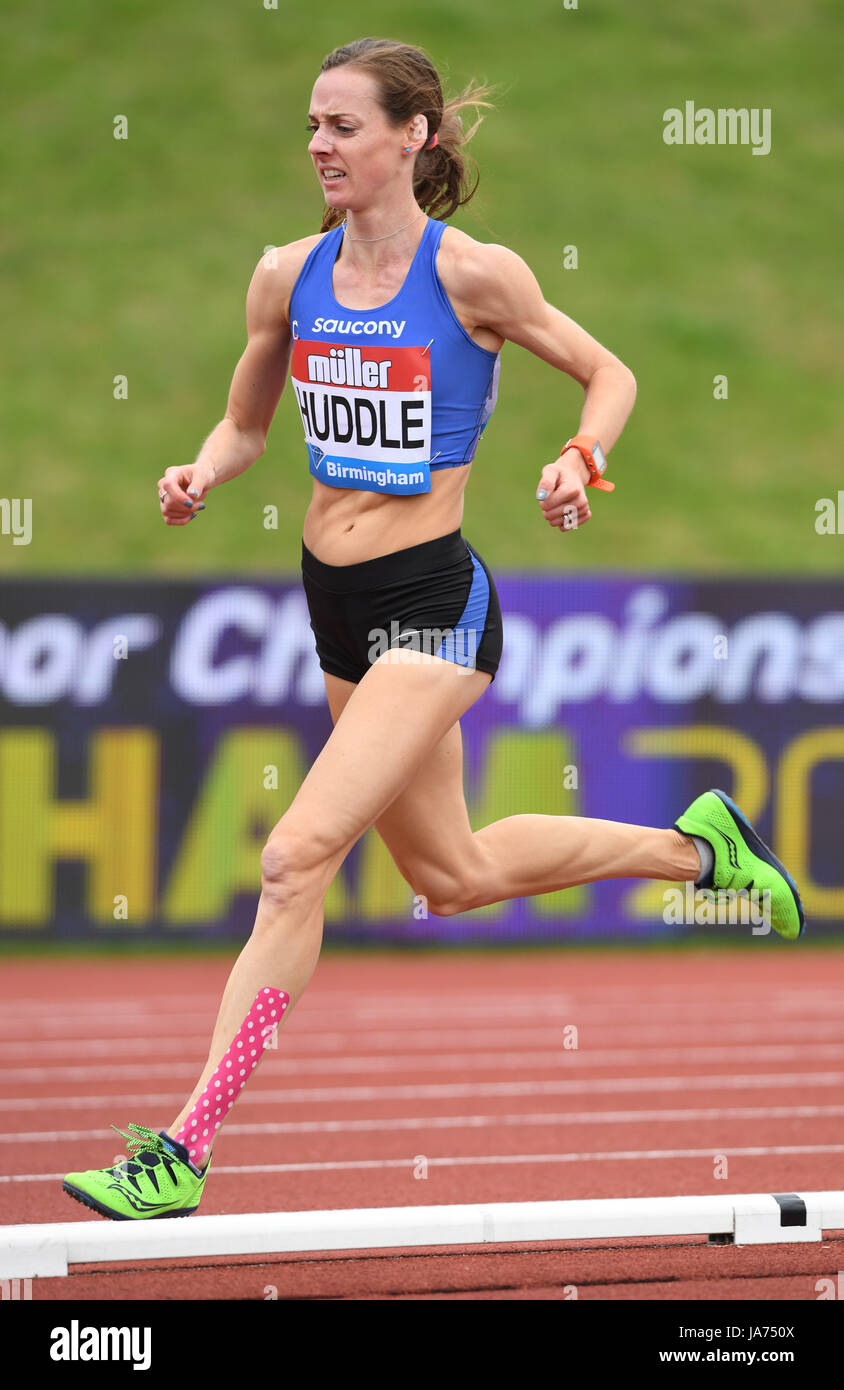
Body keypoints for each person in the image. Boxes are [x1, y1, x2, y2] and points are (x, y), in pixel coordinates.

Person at [63, 37, 804, 1221]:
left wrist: (580, 454)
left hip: (434, 607)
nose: (319, 146)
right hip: (335, 607)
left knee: (294, 857)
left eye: (344, 127)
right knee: (449, 874)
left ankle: (185, 1148)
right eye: (311, 126)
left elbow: (605, 371)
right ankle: (695, 848)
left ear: (412, 136)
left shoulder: (477, 278)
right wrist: (199, 471)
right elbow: (243, 424)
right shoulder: (283, 276)